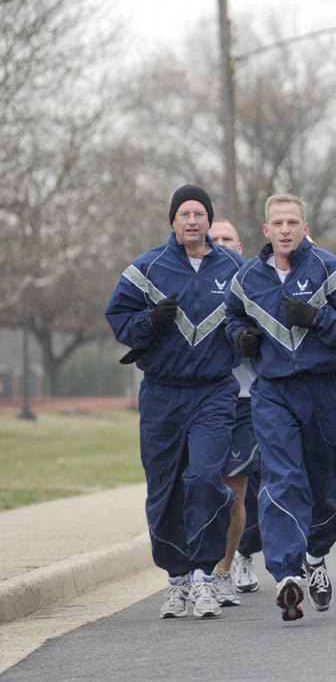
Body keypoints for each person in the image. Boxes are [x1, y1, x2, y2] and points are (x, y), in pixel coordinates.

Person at [225, 194, 336, 621]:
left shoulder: (333, 270)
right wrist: (240, 339)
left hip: (326, 388)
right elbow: (233, 319)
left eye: (293, 222)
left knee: (323, 487)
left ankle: (317, 557)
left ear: (305, 228)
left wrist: (317, 318)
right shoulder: (248, 278)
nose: (285, 229)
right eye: (277, 223)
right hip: (273, 390)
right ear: (266, 230)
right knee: (280, 475)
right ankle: (288, 573)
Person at [105, 184, 243, 619]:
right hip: (162, 393)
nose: (191, 221)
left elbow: (253, 314)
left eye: (199, 213)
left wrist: (245, 340)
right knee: (163, 489)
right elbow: (119, 321)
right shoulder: (148, 267)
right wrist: (148, 319)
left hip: (215, 391)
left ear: (208, 220)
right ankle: (176, 579)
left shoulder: (235, 268)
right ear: (173, 221)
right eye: (184, 213)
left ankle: (204, 575)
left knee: (204, 479)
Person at [204, 219, 259, 605]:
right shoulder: (196, 280)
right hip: (202, 400)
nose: (220, 245)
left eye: (228, 240)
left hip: (246, 399)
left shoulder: (255, 282)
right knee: (202, 487)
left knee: (235, 491)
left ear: (239, 248)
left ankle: (228, 566)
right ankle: (196, 571)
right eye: (214, 239)